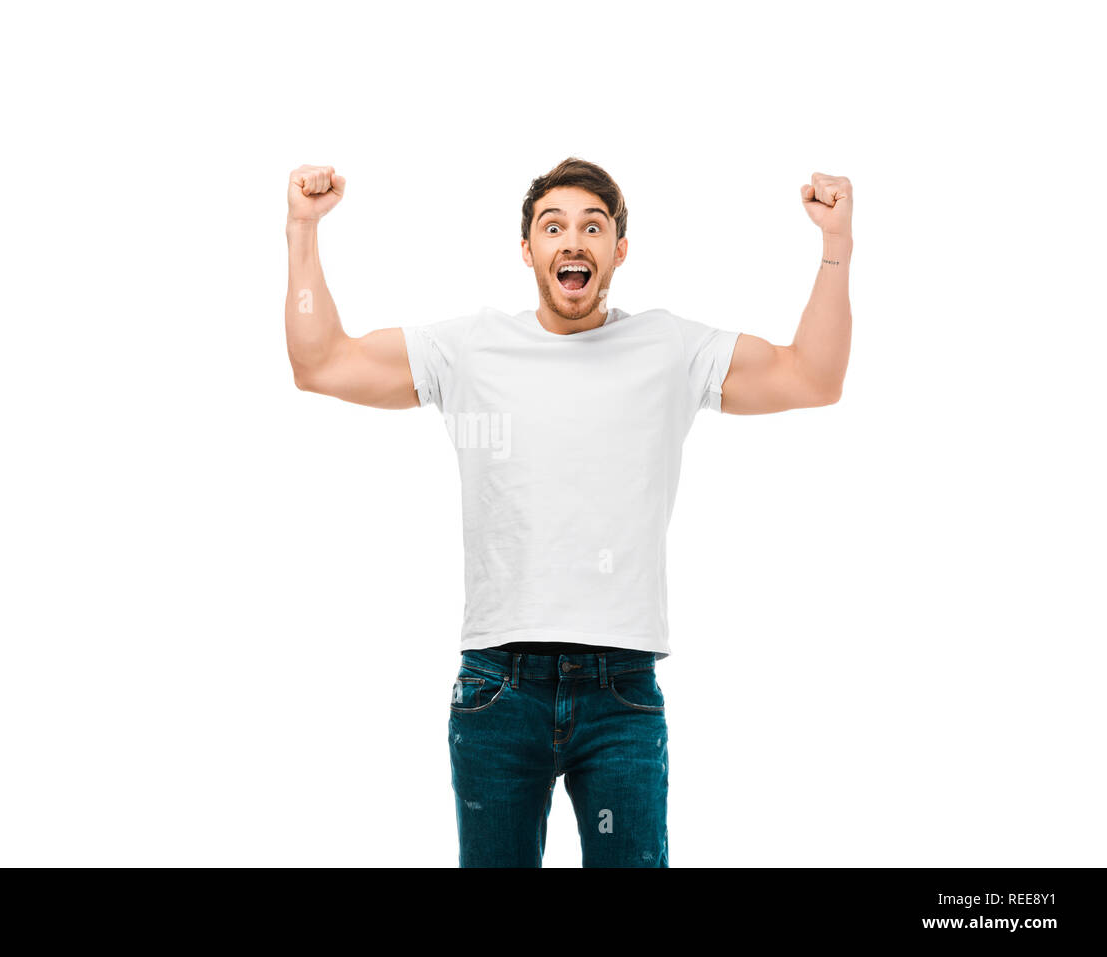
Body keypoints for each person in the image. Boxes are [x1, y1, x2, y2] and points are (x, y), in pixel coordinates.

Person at [284, 157, 852, 866]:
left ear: (619, 249)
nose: (572, 240)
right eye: (553, 227)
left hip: (620, 692)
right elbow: (321, 363)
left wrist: (836, 247)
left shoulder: (671, 348)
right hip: (498, 689)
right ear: (529, 251)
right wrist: (303, 229)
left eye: (593, 225)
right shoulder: (469, 349)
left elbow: (814, 376)